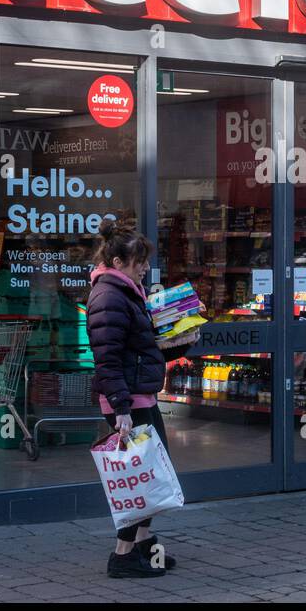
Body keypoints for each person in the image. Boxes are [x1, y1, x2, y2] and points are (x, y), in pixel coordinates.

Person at [85, 221, 194, 578]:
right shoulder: (109, 296)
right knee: (141, 480)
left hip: (138, 397)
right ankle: (122, 556)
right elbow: (108, 358)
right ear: (118, 261)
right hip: (129, 402)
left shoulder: (127, 291)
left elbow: (139, 347)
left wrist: (182, 339)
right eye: (139, 261)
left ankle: (145, 544)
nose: (145, 267)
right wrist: (121, 410)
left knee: (151, 474)